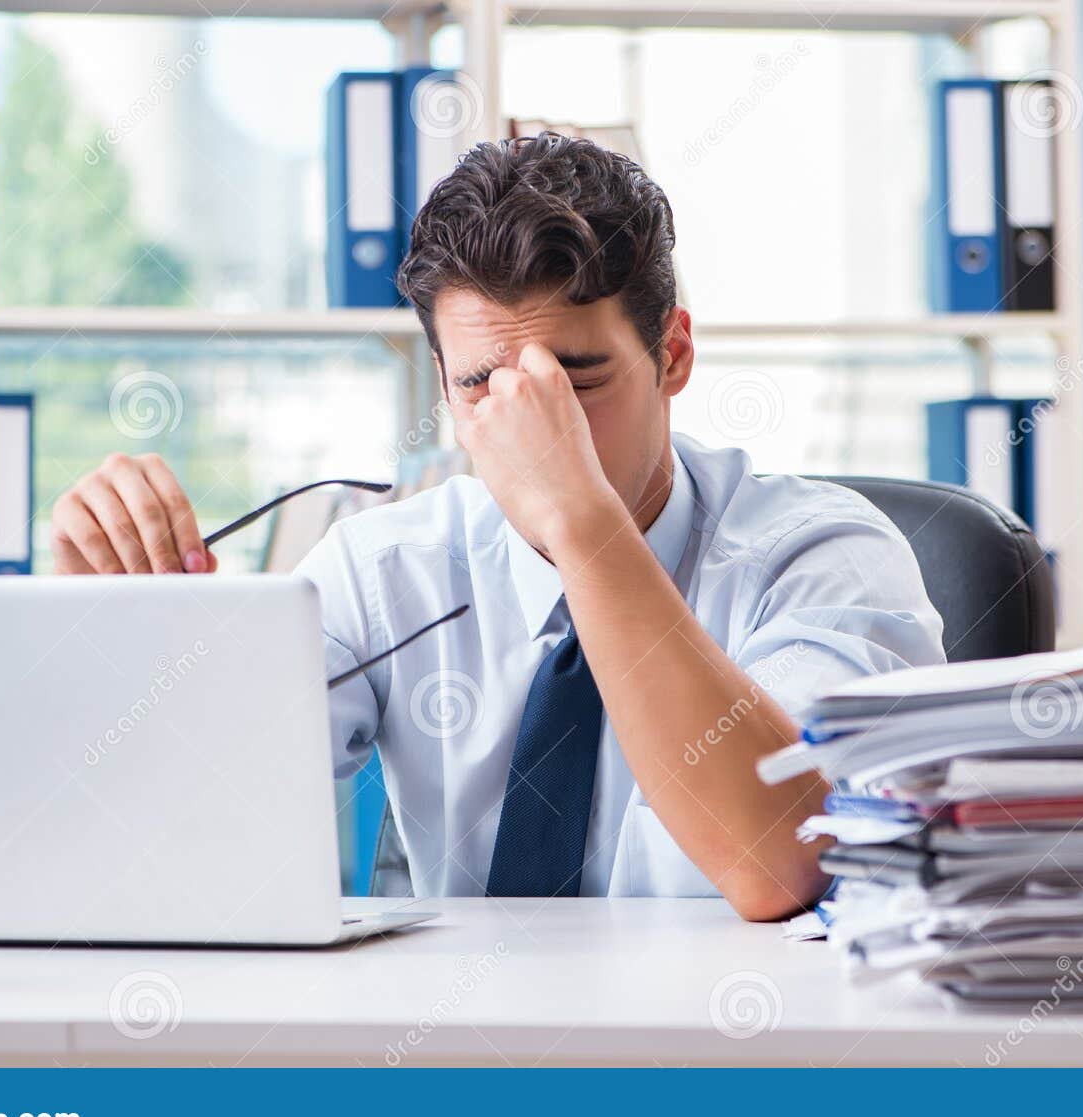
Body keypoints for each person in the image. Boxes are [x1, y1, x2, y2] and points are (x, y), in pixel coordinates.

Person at [51, 132, 944, 920]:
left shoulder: (824, 558)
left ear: (672, 356)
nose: (530, 426)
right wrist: (127, 645)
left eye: (577, 378)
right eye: (483, 387)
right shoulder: (385, 567)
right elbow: (194, 846)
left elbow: (781, 863)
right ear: (441, 387)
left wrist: (584, 527)